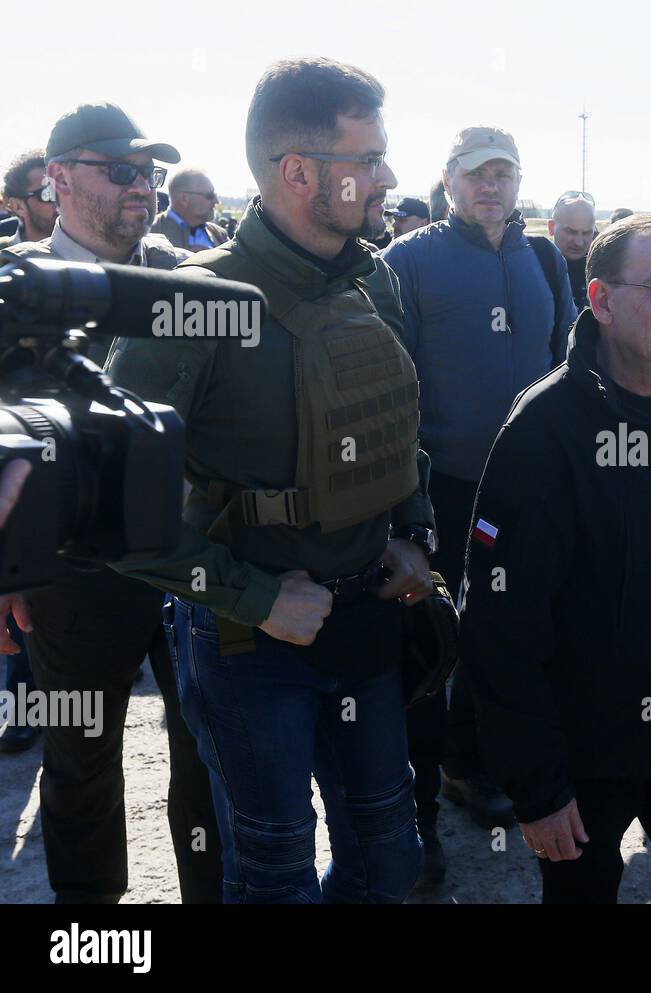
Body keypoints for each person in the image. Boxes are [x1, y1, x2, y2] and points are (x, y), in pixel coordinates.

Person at [106, 56, 436, 904]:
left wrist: (413, 529)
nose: (387, 178)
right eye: (368, 159)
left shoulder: (373, 277)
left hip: (366, 619)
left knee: (389, 857)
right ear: (298, 173)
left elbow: (397, 423)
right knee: (274, 872)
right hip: (251, 646)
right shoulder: (187, 304)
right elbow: (109, 507)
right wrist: (254, 597)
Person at [459, 212, 651, 903]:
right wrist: (537, 788)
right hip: (588, 753)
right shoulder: (545, 429)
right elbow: (499, 623)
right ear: (601, 300)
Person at [0, 102, 222, 904]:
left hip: (191, 566)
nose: (143, 187)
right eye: (121, 170)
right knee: (79, 763)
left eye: (149, 173)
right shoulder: (13, 289)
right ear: (57, 179)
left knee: (206, 758)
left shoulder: (183, 276)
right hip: (71, 582)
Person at [381, 126, 576, 879]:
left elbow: (565, 363)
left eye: (504, 173)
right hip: (437, 488)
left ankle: (469, 765)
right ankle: (417, 818)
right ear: (449, 181)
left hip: (523, 489)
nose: (490, 186)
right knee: (429, 643)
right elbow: (386, 385)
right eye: (475, 174)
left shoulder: (545, 258)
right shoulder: (407, 261)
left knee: (503, 634)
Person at [151, 168, 229, 250]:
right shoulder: (151, 231)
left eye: (215, 195)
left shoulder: (220, 234)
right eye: (209, 195)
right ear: (184, 198)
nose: (216, 201)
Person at [549, 190, 597, 308]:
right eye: (571, 232)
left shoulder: (603, 269)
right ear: (551, 227)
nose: (579, 242)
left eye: (586, 233)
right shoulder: (533, 265)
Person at [1, 148, 58, 246]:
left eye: (65, 189)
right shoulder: (4, 254)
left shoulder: (85, 247)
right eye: (49, 193)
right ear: (18, 206)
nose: (64, 200)